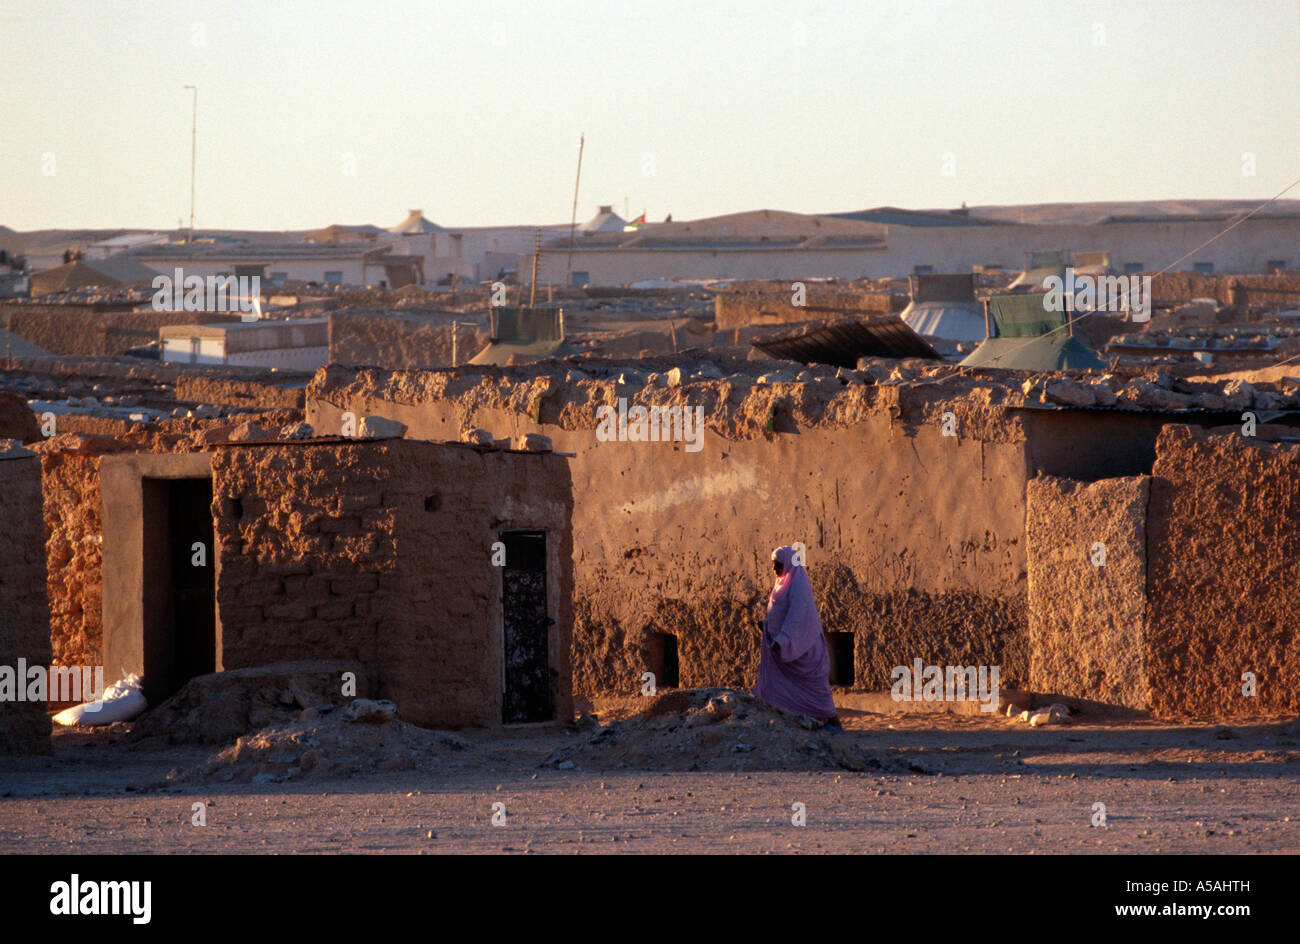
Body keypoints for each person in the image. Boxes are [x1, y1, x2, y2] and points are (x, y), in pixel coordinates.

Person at [754, 545, 842, 730]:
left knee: (813, 688)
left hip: (802, 649)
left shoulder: (798, 584)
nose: (774, 569)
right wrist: (767, 626)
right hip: (780, 648)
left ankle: (830, 719)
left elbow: (797, 616)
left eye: (777, 564)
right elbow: (779, 613)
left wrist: (784, 639)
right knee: (776, 687)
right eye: (772, 565)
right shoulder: (781, 584)